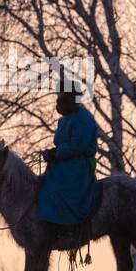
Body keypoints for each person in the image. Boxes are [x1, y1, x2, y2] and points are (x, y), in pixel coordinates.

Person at [37, 74, 100, 231]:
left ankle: (65, 226)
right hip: (63, 164)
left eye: (61, 96)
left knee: (58, 189)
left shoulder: (83, 118)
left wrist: (55, 154)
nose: (58, 99)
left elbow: (77, 145)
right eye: (58, 96)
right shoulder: (65, 119)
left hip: (78, 166)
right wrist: (52, 154)